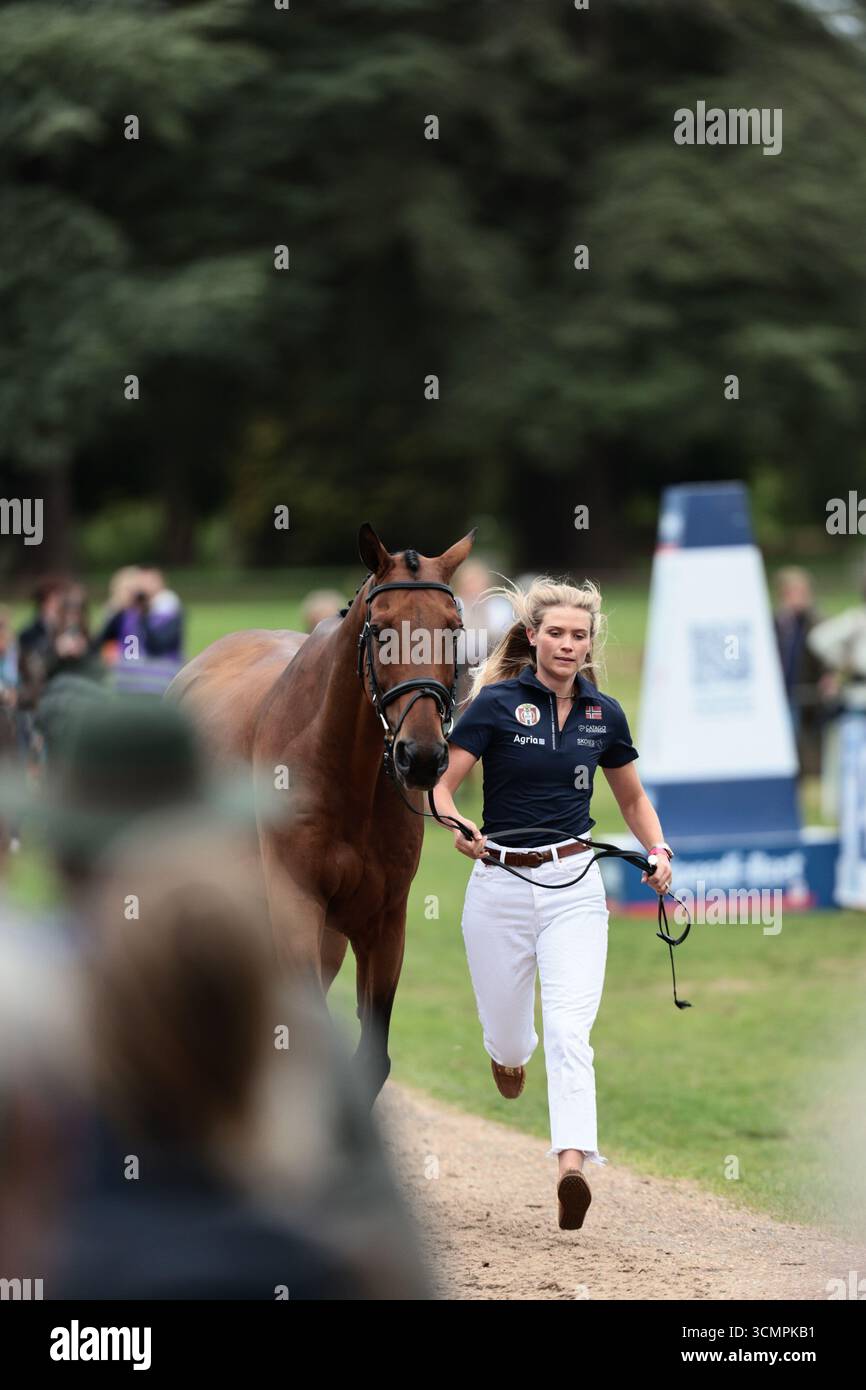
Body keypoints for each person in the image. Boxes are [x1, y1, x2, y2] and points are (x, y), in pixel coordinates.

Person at [432, 575, 673, 1232]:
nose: (568, 644)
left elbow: (632, 798)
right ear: (533, 636)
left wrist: (658, 851)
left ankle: (572, 1166)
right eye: (557, 633)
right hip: (499, 887)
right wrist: (458, 826)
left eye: (579, 635)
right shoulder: (495, 705)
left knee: (571, 1032)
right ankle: (509, 1053)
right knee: (511, 1039)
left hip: (576, 888)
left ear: (590, 643)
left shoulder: (604, 715)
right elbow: (442, 787)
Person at [772, 567, 826, 777]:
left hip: (807, 693)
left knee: (806, 740)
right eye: (794, 592)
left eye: (803, 592)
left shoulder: (816, 622)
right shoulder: (778, 623)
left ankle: (807, 776)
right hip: (781, 693)